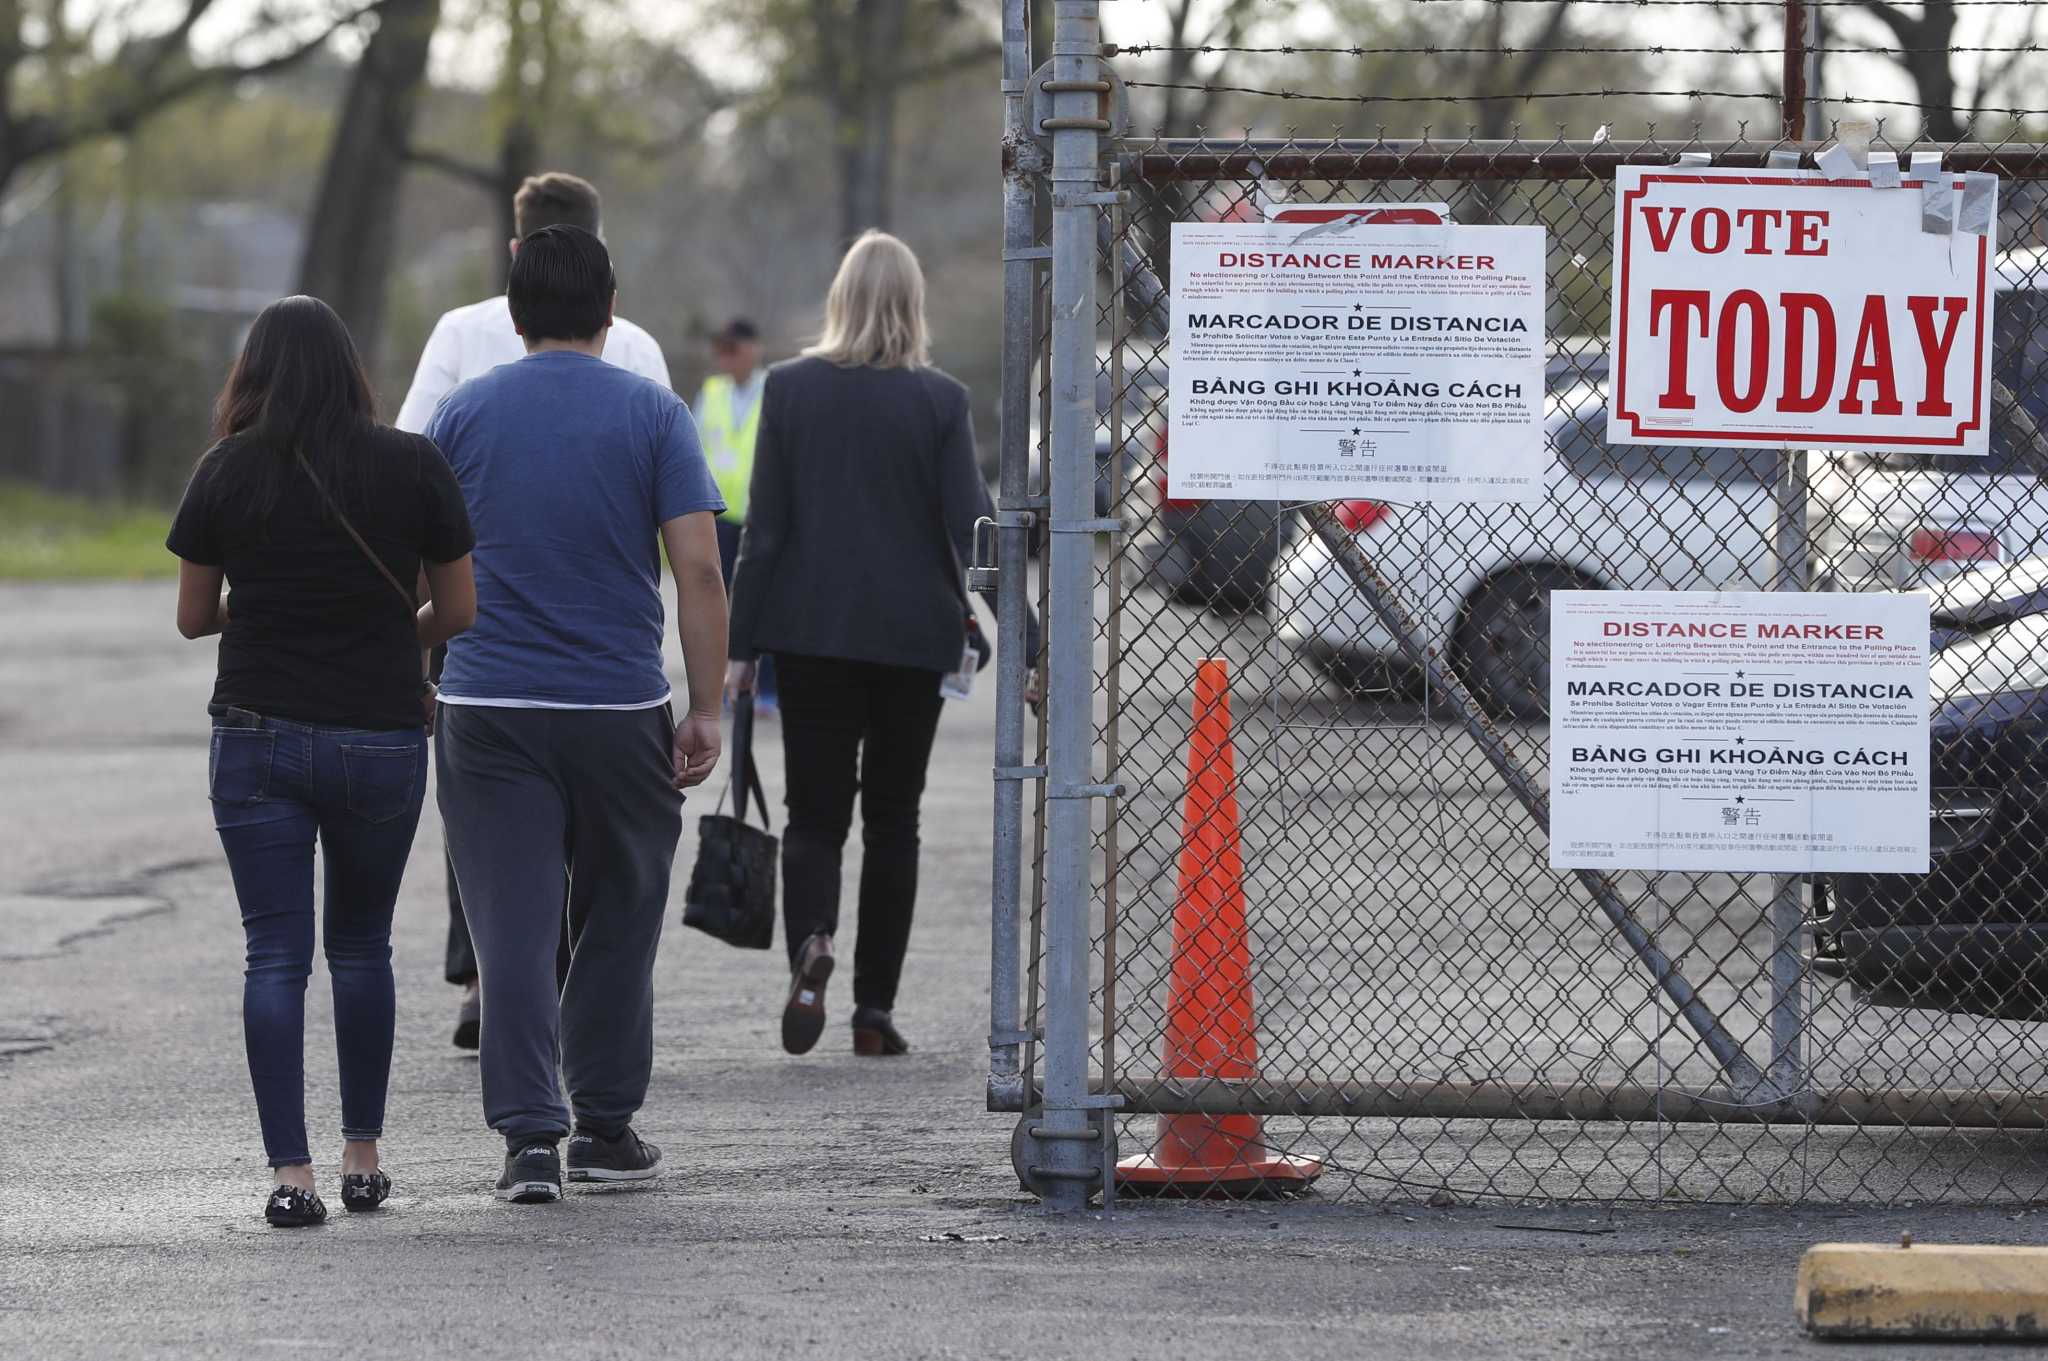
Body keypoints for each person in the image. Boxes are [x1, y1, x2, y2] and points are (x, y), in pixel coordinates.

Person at [427, 224, 727, 1205]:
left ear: (512, 314)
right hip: (615, 703)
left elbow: (424, 565)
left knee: (509, 926)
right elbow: (698, 570)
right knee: (622, 907)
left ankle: (527, 1142)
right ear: (610, 309)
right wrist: (707, 707)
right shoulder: (653, 413)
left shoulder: (462, 417)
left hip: (485, 703)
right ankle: (603, 1120)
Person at [167, 296, 478, 1228]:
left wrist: (268, 612)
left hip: (257, 733)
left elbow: (192, 615)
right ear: (352, 370)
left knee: (275, 956)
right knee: (361, 947)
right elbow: (460, 610)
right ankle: (364, 1158)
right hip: (380, 736)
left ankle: (290, 1175)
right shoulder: (412, 464)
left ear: (252, 372)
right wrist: (392, 633)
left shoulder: (226, 469)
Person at [394, 171, 673, 1053]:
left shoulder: (460, 339)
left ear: (514, 257)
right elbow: (689, 539)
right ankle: (596, 1076)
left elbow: (409, 459)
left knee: (487, 833)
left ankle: (486, 973)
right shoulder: (637, 353)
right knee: (611, 867)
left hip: (476, 615)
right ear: (605, 269)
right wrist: (705, 699)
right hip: (608, 646)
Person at [725, 230, 999, 1059]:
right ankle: (873, 1011)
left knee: (815, 815)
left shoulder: (791, 390)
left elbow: (764, 532)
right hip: (914, 640)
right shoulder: (940, 401)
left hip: (812, 634)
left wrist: (741, 650)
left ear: (838, 300)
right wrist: (1020, 642)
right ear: (913, 305)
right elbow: (973, 530)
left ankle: (813, 941)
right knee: (893, 820)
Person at [693, 318, 776, 709]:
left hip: (764, 515)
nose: (728, 361)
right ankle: (727, 684)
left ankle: (770, 687)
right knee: (721, 601)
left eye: (735, 351)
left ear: (754, 349)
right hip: (721, 517)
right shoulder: (712, 393)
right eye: (722, 352)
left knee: (769, 600)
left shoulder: (776, 390)